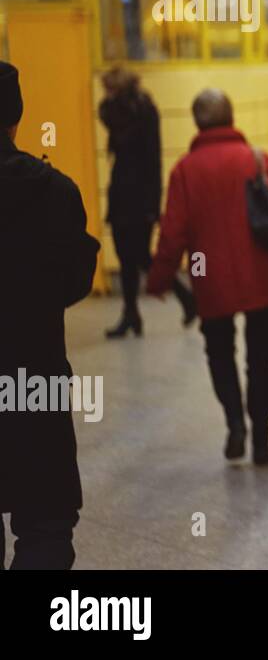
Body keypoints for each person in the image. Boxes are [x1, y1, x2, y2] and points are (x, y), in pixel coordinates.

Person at [146, 89, 268, 466]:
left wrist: (160, 277)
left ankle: (235, 425)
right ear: (232, 117)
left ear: (197, 122)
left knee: (219, 353)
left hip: (211, 278)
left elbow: (174, 232)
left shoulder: (185, 170)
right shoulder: (256, 160)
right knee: (259, 357)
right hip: (262, 276)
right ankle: (263, 440)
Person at [0, 61, 100, 569]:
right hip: (32, 380)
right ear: (15, 120)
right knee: (46, 522)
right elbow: (75, 281)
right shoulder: (54, 192)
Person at [98, 66, 196, 338]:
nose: (106, 96)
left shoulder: (143, 112)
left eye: (110, 90)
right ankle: (132, 315)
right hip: (121, 193)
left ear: (120, 89)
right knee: (126, 256)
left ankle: (185, 297)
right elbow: (106, 115)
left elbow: (152, 159)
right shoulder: (119, 110)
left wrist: (153, 205)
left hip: (139, 196)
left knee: (140, 257)